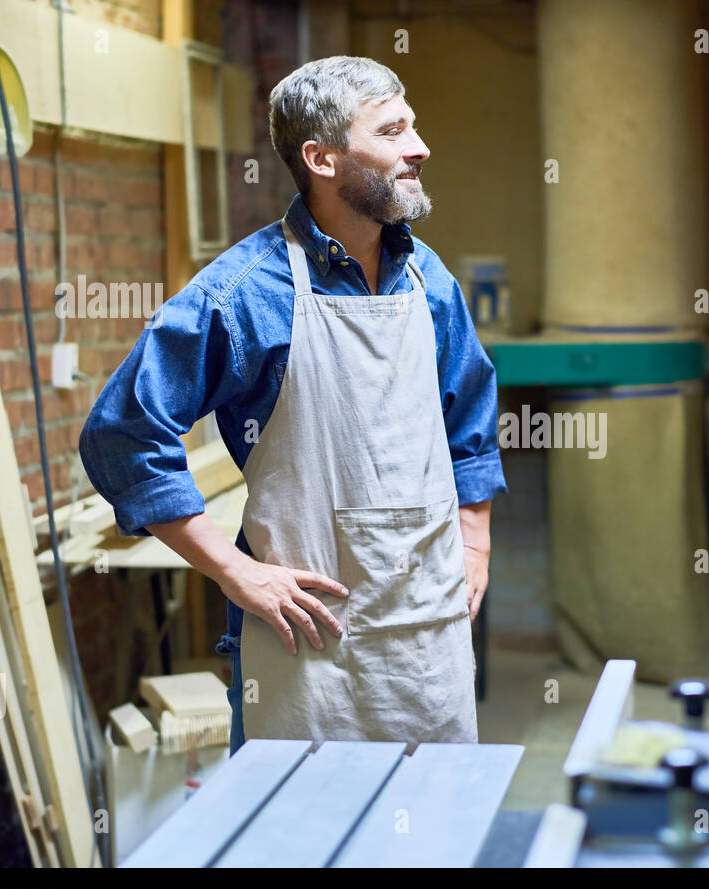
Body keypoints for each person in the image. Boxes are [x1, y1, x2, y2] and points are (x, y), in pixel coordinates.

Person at [79, 56, 506, 754]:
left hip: (427, 634)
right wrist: (235, 571)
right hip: (305, 644)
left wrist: (476, 541)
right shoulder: (247, 293)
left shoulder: (431, 282)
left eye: (414, 126)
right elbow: (122, 433)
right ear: (322, 157)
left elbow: (472, 420)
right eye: (393, 130)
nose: (419, 147)